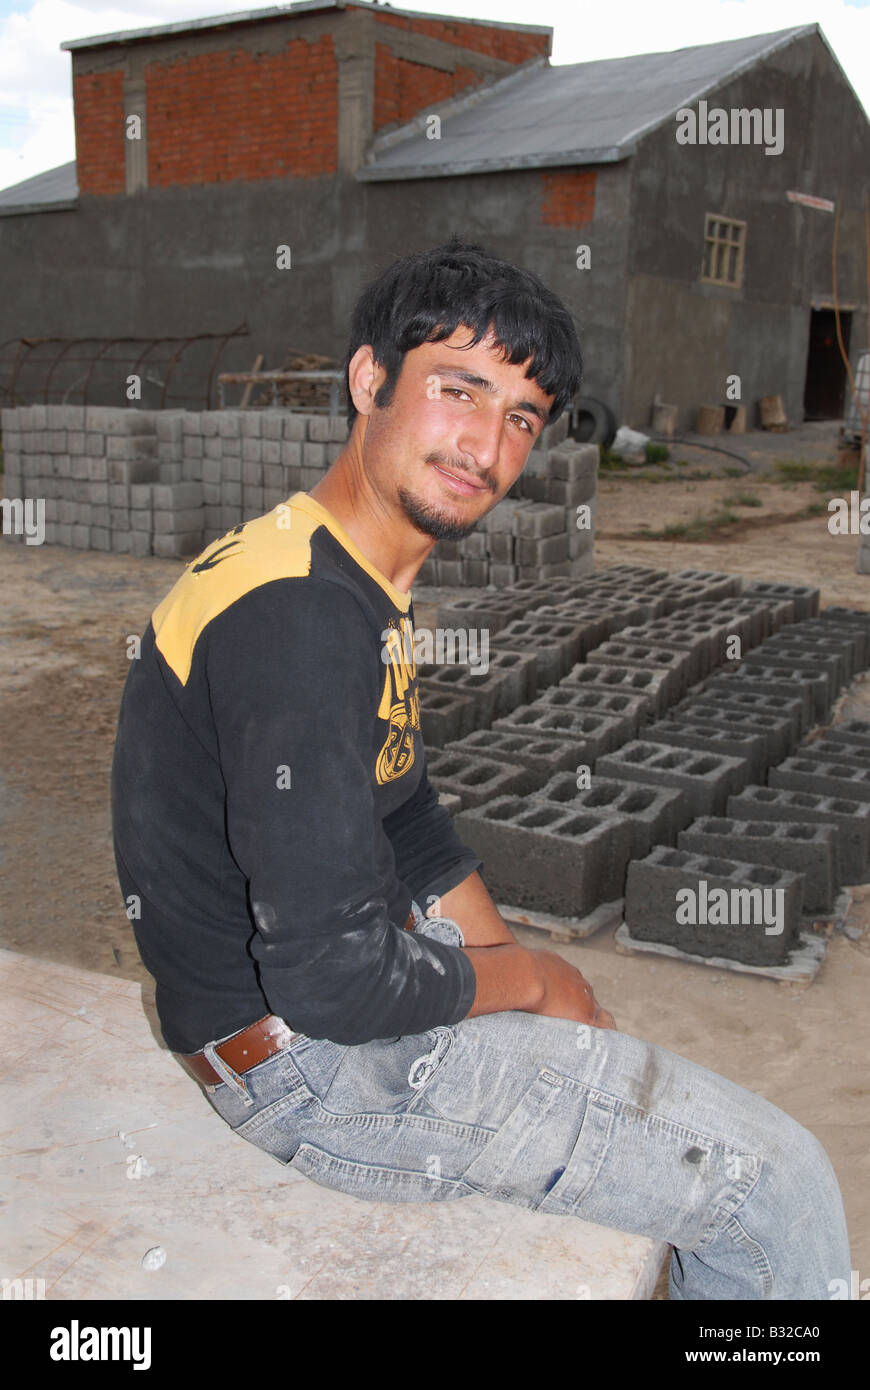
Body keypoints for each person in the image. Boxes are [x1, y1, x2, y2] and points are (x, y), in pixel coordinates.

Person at [111, 236, 850, 1299]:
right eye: (459, 391)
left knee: (613, 1067)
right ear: (369, 378)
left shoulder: (325, 559)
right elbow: (335, 976)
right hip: (317, 1070)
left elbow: (408, 817)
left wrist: (515, 984)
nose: (486, 447)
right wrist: (537, 976)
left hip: (316, 1016)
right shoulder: (305, 622)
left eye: (520, 417)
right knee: (775, 1185)